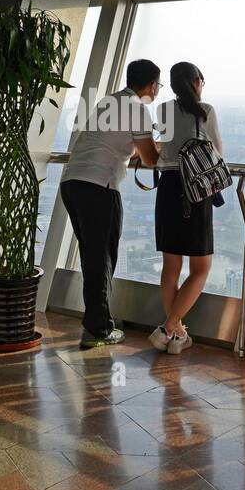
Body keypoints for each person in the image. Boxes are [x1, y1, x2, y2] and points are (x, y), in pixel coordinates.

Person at [60, 59, 162, 349]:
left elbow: (116, 145)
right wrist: (166, 146)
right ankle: (98, 329)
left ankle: (96, 323)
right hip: (98, 187)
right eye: (158, 86)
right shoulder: (138, 110)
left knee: (92, 256)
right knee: (102, 257)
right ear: (152, 86)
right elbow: (151, 158)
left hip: (74, 183)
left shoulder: (109, 102)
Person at [148, 62, 223, 355]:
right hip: (195, 191)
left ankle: (177, 337)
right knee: (201, 267)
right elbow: (217, 152)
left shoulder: (164, 110)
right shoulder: (206, 111)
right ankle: (168, 329)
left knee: (171, 267)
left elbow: (162, 150)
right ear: (197, 82)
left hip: (167, 188)